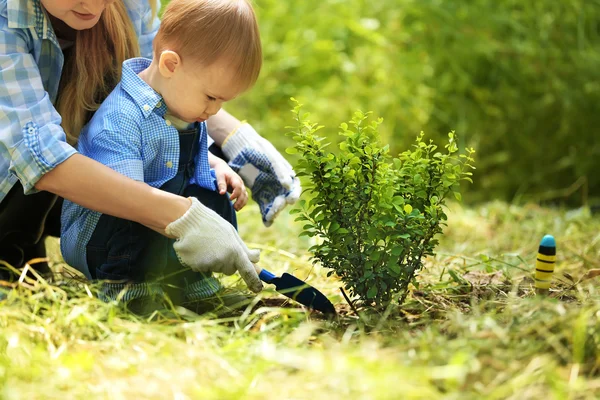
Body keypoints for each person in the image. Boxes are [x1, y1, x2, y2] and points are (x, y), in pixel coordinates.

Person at [0, 0, 300, 290]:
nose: (92, 5)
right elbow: (40, 157)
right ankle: (16, 246)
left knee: (203, 157)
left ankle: (171, 276)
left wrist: (237, 142)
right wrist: (184, 218)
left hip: (77, 177)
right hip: (19, 184)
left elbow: (164, 80)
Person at [61, 0, 264, 312]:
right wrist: (188, 220)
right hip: (108, 233)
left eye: (223, 102)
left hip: (154, 212)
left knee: (215, 194)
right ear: (170, 65)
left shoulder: (179, 105)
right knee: (137, 221)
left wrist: (215, 165)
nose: (214, 111)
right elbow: (127, 199)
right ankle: (129, 292)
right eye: (211, 97)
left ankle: (193, 284)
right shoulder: (120, 120)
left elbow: (177, 161)